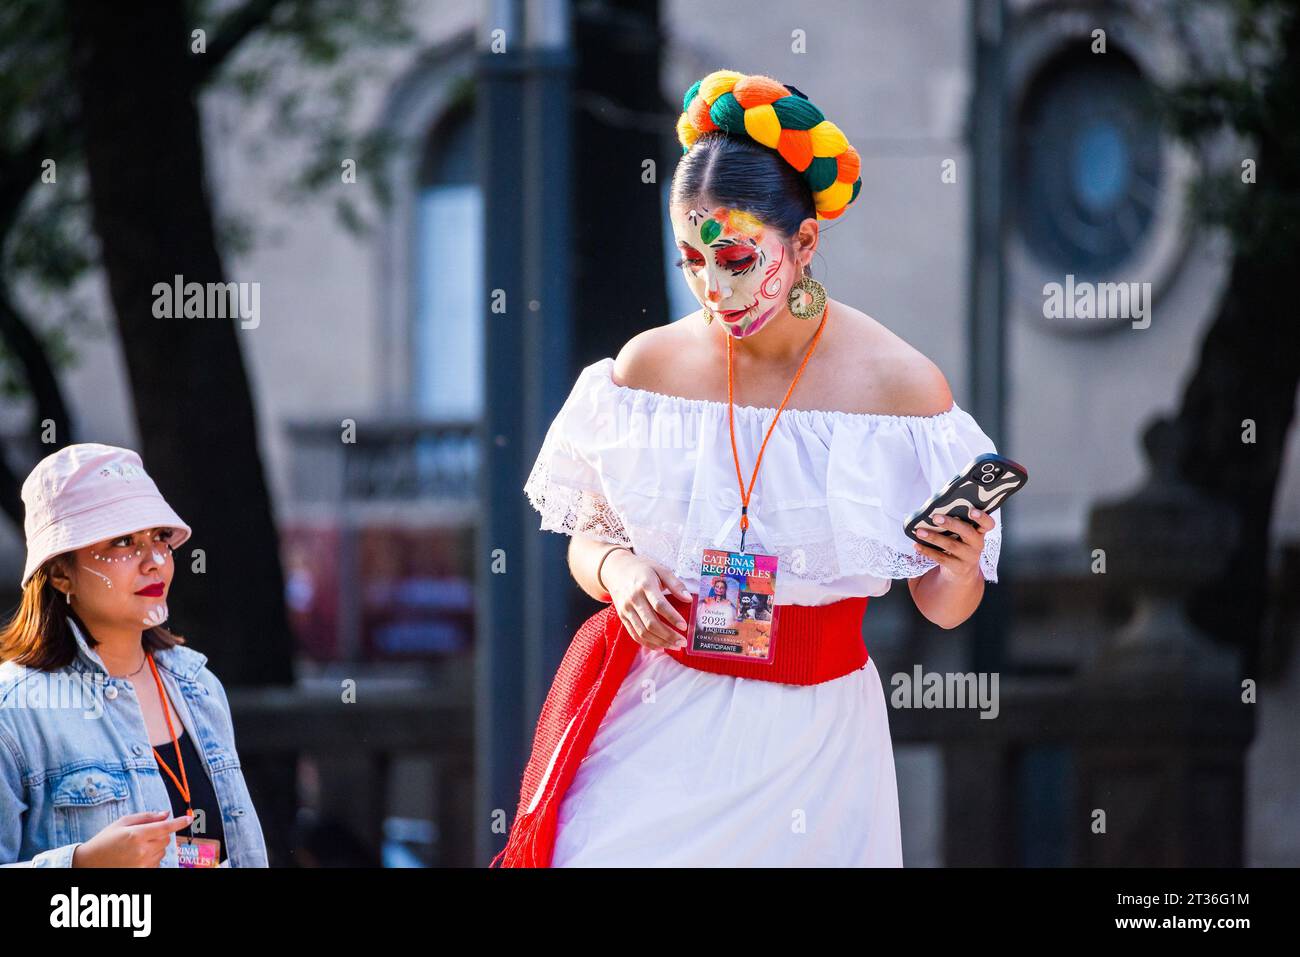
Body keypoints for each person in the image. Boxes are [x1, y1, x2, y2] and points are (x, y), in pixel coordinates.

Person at [494, 69, 1003, 867]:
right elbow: (587, 537)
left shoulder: (900, 386)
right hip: (659, 712)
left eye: (735, 256)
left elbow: (942, 605)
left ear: (803, 242)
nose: (712, 287)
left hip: (817, 734)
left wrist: (961, 564)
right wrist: (621, 571)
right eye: (691, 259)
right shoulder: (647, 371)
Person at [0, 443, 268, 867]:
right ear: (59, 572)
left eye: (159, 537)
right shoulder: (13, 709)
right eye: (123, 541)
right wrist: (82, 863)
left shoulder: (198, 685)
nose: (154, 561)